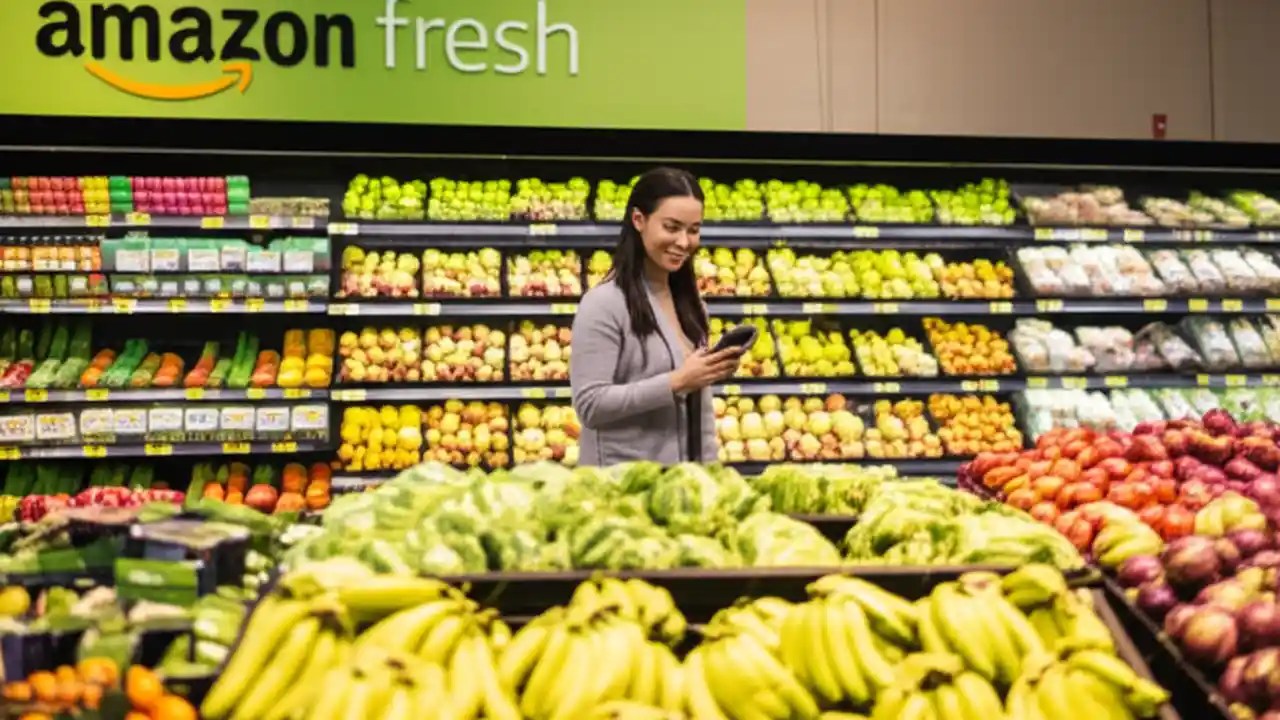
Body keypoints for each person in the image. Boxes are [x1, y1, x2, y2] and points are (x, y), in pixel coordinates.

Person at [570, 167, 744, 466]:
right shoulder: (603, 304)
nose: (684, 242)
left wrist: (710, 474)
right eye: (672, 227)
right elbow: (591, 405)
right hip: (623, 488)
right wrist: (676, 382)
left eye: (693, 229)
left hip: (681, 486)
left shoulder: (691, 304)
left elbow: (699, 411)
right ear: (639, 220)